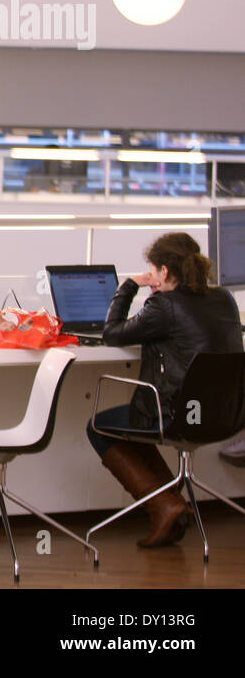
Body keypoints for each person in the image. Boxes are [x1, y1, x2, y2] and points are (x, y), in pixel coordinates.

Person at [86, 232, 243, 547]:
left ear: (165, 272)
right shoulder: (224, 298)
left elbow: (112, 333)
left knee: (99, 428)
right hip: (225, 417)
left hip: (177, 416)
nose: (152, 278)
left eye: (153, 271)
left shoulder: (163, 305)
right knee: (135, 427)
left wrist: (130, 286)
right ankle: (169, 506)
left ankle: (163, 504)